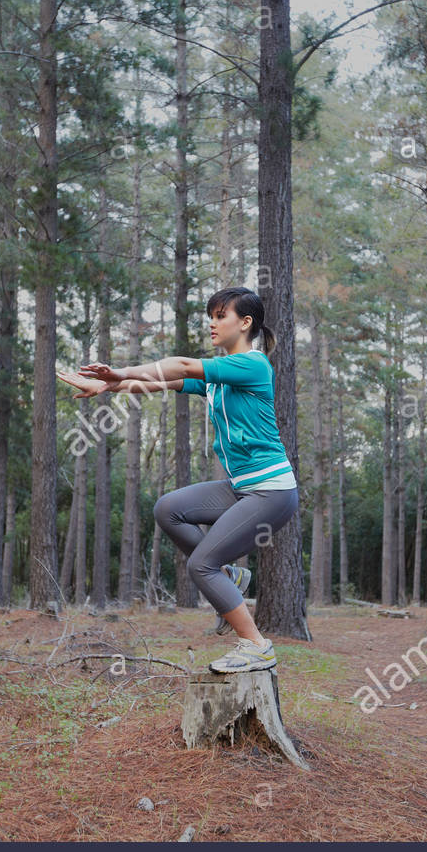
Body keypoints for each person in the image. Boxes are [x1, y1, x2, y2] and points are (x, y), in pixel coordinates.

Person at [56, 286, 299, 673]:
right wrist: (108, 385)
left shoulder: (253, 365)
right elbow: (161, 383)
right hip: (241, 487)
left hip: (271, 491)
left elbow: (183, 366)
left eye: (221, 316)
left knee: (201, 565)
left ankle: (255, 645)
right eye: (211, 316)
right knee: (170, 509)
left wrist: (121, 371)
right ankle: (232, 577)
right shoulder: (219, 377)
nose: (212, 323)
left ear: (246, 322)